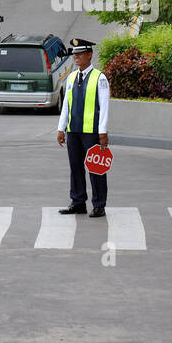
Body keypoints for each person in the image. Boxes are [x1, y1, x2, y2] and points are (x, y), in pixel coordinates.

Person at [56, 37, 110, 218]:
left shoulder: (99, 78)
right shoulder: (71, 77)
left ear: (89, 55)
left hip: (92, 132)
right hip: (74, 131)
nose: (76, 57)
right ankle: (78, 202)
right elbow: (66, 105)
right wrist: (61, 128)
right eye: (74, 54)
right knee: (75, 167)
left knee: (95, 167)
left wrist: (102, 132)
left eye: (79, 54)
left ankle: (99, 205)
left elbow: (104, 107)